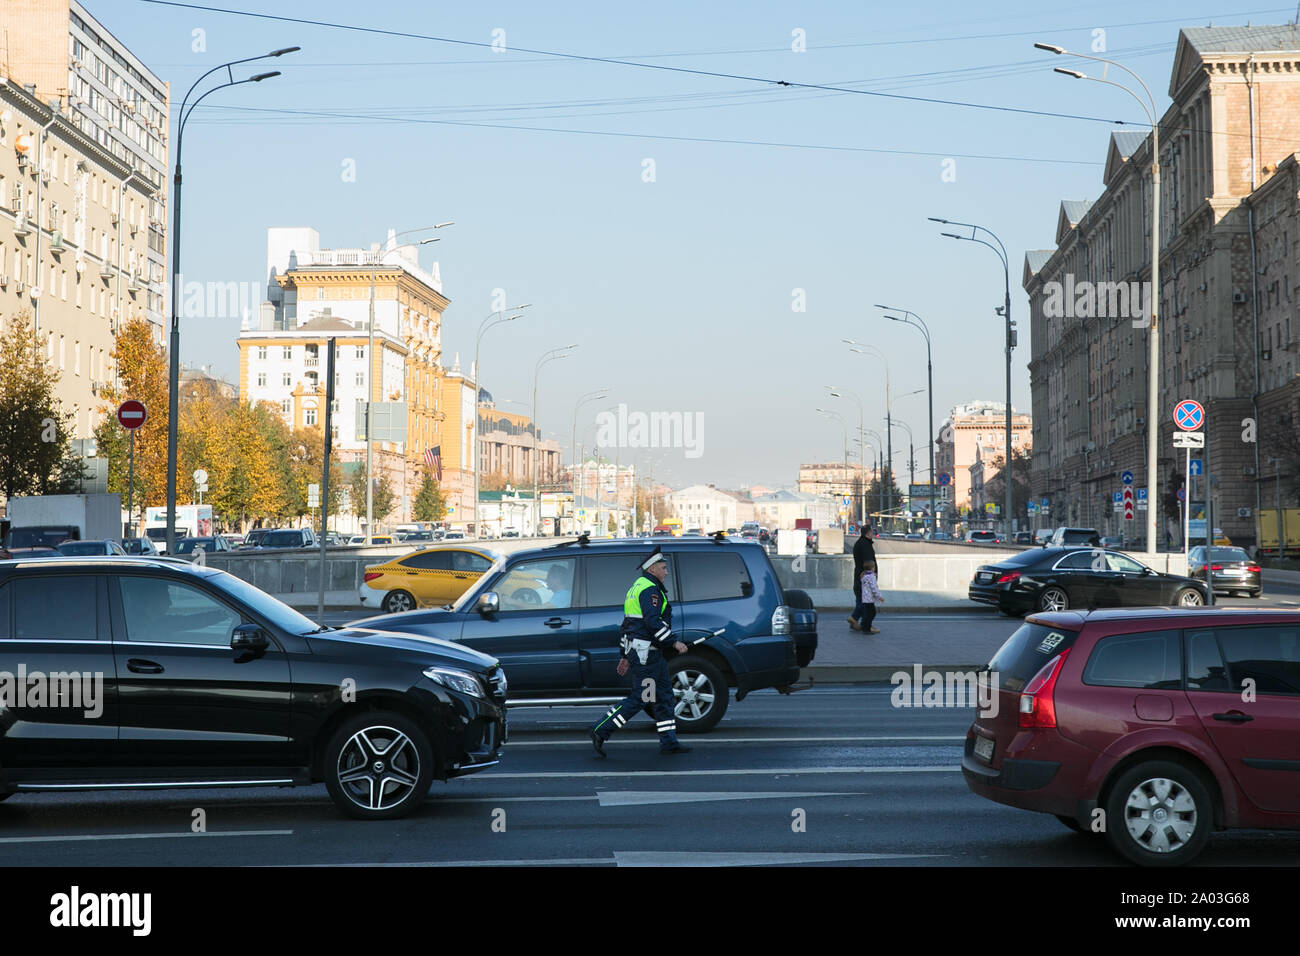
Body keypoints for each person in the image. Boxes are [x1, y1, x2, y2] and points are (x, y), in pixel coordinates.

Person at [590, 547, 692, 756]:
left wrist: (625, 655)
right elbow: (652, 622)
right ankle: (601, 729)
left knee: (663, 696)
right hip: (648, 656)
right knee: (643, 697)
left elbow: (628, 624)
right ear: (653, 568)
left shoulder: (637, 587)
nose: (666, 572)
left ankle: (669, 743)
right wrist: (674, 642)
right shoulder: (650, 590)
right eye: (663, 568)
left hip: (646, 653)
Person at [847, 523, 876, 629]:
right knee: (865, 603)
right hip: (864, 578)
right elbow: (868, 563)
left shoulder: (859, 543)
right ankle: (861, 622)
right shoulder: (865, 545)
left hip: (859, 576)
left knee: (860, 600)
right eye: (872, 531)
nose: (873, 533)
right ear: (869, 533)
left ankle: (855, 622)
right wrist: (871, 576)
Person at [853, 560, 884, 633]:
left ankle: (865, 626)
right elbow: (874, 588)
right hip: (870, 599)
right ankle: (866, 628)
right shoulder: (871, 577)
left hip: (865, 599)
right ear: (872, 568)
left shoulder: (864, 576)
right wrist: (879, 596)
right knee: (872, 613)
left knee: (868, 613)